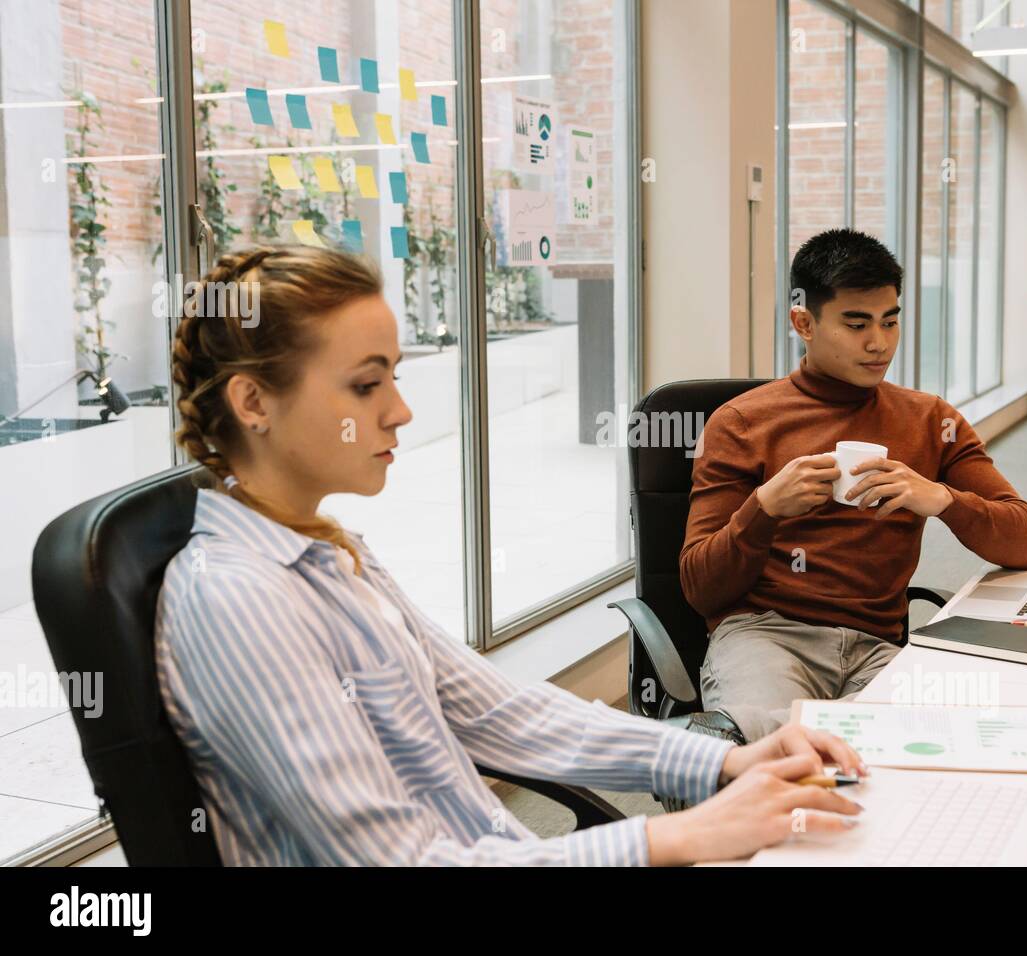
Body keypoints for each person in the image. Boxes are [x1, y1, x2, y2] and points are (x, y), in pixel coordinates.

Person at [155, 244, 867, 866]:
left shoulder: (328, 552)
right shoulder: (236, 598)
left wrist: (725, 759)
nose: (400, 410)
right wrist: (675, 839)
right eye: (367, 384)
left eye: (395, 378)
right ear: (253, 401)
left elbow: (500, 713)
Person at [680, 228, 1027, 742]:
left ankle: (729, 760)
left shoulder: (931, 420)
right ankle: (725, 765)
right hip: (768, 635)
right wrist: (763, 509)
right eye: (856, 325)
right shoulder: (741, 423)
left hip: (877, 645)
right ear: (803, 322)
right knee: (788, 756)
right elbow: (699, 589)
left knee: (928, 748)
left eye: (890, 321)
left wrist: (942, 500)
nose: (879, 343)